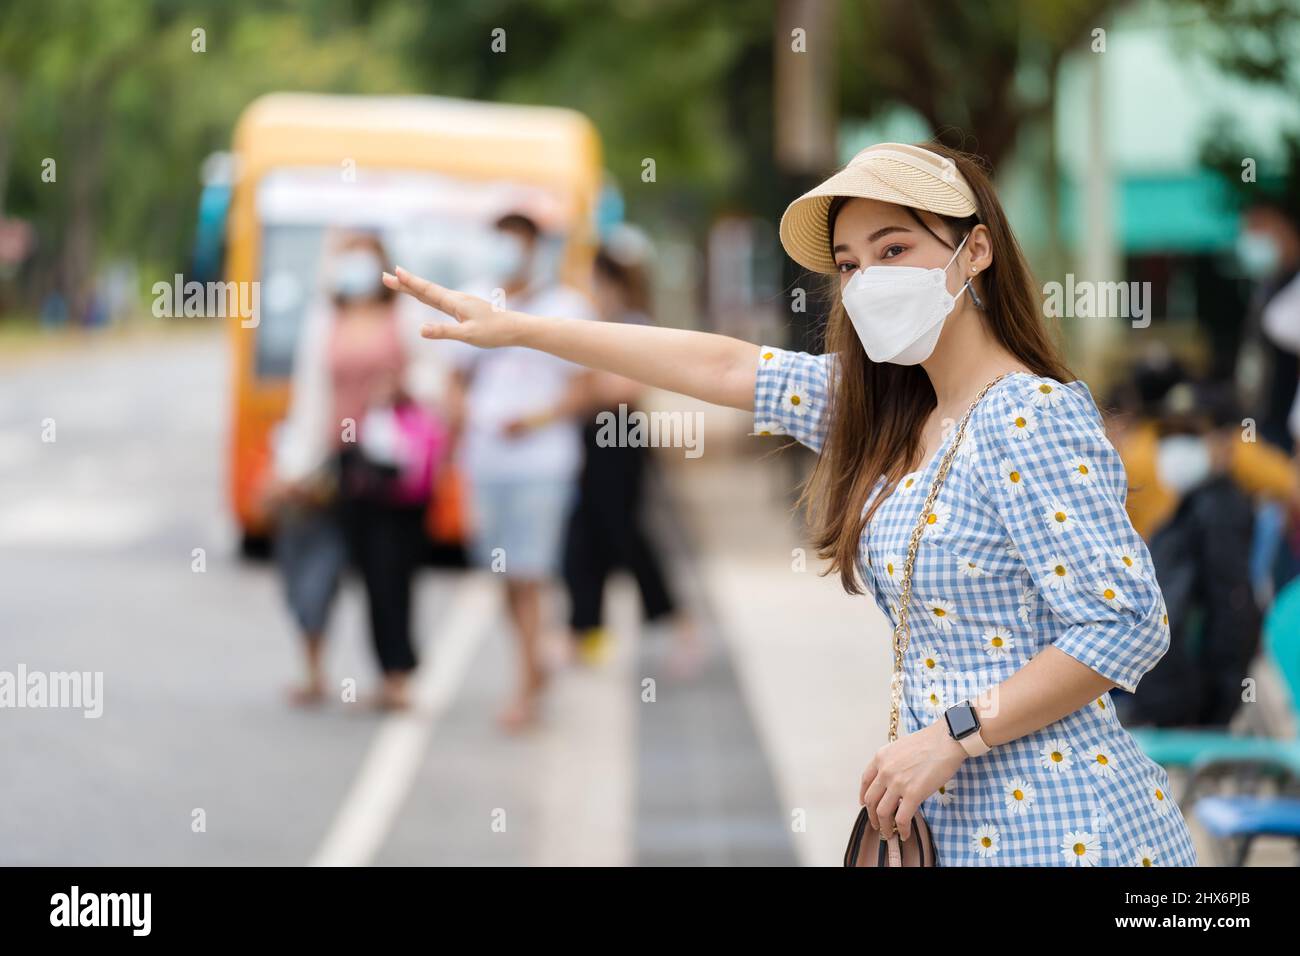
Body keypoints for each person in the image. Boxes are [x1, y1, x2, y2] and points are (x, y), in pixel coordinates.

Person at [384, 141, 1201, 866]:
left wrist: (957, 731)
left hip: (1065, 827)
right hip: (949, 819)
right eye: (848, 264)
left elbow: (1125, 621)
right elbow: (722, 368)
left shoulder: (1030, 417)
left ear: (975, 250)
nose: (867, 280)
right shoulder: (884, 413)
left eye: (894, 248)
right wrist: (525, 329)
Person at [269, 231, 442, 711]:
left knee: (392, 569)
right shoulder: (327, 320)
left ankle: (396, 674)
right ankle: (318, 668)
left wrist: (403, 386)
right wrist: (295, 465)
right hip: (345, 462)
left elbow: (435, 378)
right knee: (339, 564)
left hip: (397, 464)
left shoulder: (405, 315)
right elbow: (310, 396)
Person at [443, 212, 597, 731]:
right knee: (506, 577)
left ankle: (526, 688)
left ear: (536, 247)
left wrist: (533, 420)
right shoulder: (473, 299)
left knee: (530, 575)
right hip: (485, 463)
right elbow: (454, 380)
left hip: (542, 463)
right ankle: (534, 664)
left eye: (519, 240)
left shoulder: (565, 307)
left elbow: (584, 386)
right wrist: (461, 416)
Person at [562, 239, 701, 673]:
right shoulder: (591, 323)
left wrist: (586, 383)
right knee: (584, 538)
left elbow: (620, 389)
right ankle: (583, 632)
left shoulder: (634, 324)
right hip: (590, 439)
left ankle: (680, 624)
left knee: (627, 535)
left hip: (620, 439)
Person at [1114, 381, 1262, 728]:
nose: (1176, 447)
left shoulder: (1218, 512)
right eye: (1171, 434)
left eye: (1193, 435)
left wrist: (1212, 712)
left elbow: (1230, 617)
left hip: (1186, 711)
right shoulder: (1187, 505)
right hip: (1165, 702)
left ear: (1227, 442)